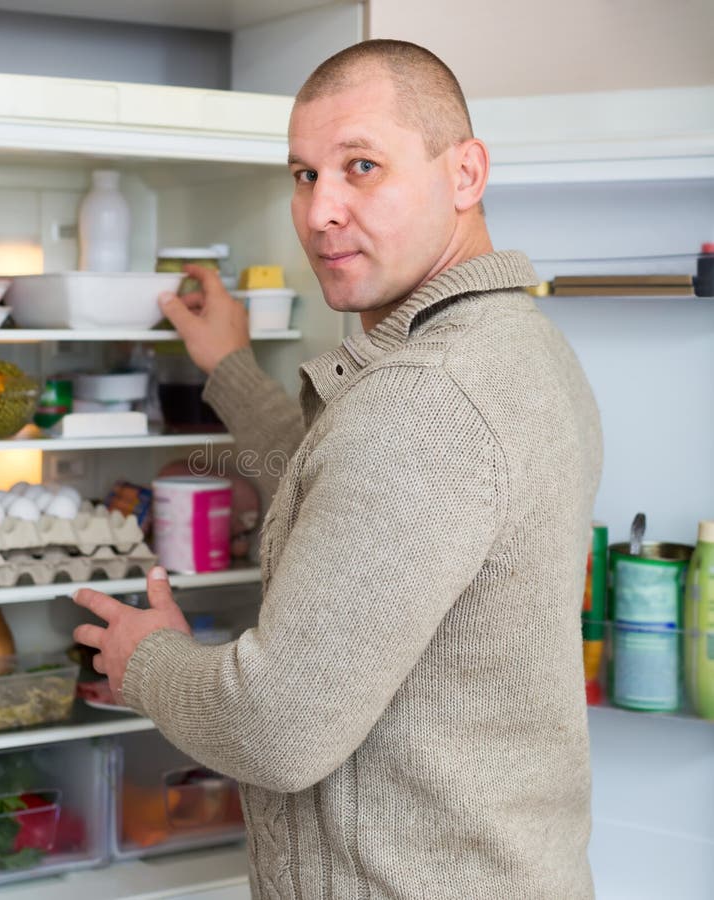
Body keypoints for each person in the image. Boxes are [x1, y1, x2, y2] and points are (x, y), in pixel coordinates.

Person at [73, 39, 602, 899]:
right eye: (304, 175)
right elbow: (359, 508)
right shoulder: (518, 351)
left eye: (362, 166)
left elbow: (276, 727)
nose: (321, 211)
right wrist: (232, 369)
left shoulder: (427, 398)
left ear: (465, 173)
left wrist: (148, 659)